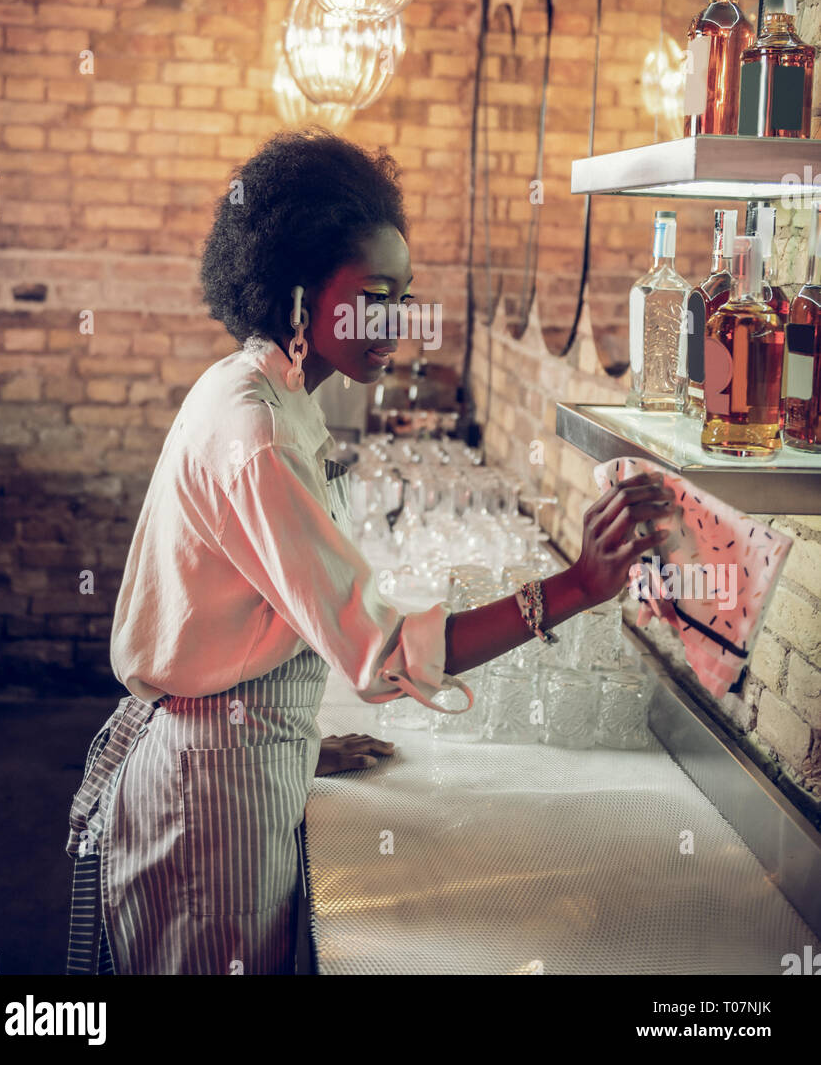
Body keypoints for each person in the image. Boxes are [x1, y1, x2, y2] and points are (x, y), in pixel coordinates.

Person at [64, 127, 672, 976]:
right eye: (376, 295)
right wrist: (575, 587)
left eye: (406, 293)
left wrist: (299, 743)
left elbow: (250, 606)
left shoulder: (256, 387)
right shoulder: (261, 431)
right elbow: (384, 657)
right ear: (301, 293)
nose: (399, 322)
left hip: (235, 749)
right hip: (213, 792)